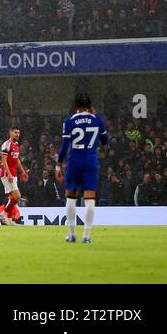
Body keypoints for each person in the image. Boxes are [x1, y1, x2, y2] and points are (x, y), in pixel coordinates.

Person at [57, 93, 109, 244]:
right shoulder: (97, 120)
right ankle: (86, 236)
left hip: (74, 161)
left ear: (75, 106)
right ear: (90, 106)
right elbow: (105, 141)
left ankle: (72, 234)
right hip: (91, 160)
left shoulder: (69, 121)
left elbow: (64, 146)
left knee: (71, 197)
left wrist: (58, 165)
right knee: (90, 198)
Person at [0, 126, 25, 225]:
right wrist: (8, 174)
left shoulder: (16, 144)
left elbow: (16, 159)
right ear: (10, 132)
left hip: (14, 173)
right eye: (15, 132)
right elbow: (3, 161)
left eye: (18, 133)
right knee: (17, 196)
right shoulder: (6, 144)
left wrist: (23, 171)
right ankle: (4, 213)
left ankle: (9, 219)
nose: (17, 134)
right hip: (7, 173)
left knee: (11, 198)